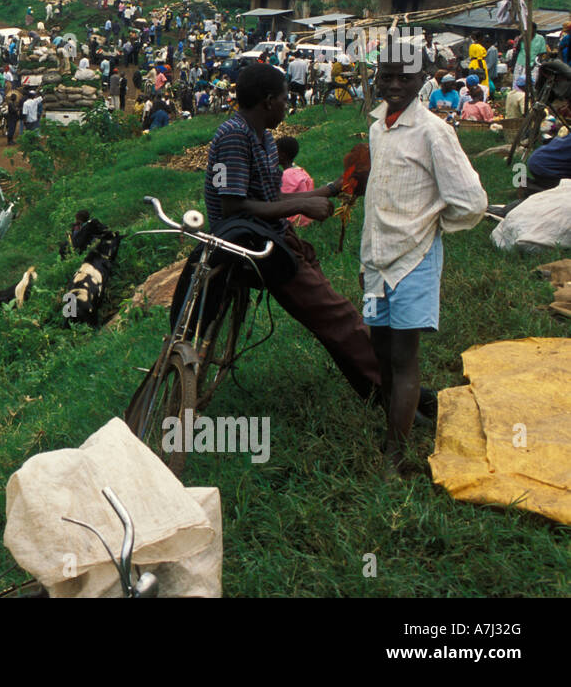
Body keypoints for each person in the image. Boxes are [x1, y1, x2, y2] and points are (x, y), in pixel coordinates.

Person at [204, 62, 388, 410]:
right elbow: (234, 208)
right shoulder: (233, 136)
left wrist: (331, 190)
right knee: (337, 316)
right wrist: (301, 207)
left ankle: (376, 387)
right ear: (268, 101)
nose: (288, 105)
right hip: (249, 246)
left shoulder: (264, 140)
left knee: (332, 310)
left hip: (272, 235)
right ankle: (392, 389)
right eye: (285, 99)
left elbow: (271, 199)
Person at [361, 59, 487, 478]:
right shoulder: (379, 128)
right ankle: (395, 426)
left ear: (422, 81)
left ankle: (394, 457)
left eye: (405, 77)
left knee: (402, 356)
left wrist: (430, 225)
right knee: (379, 351)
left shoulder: (435, 131)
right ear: (377, 80)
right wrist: (367, 257)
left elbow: (471, 201)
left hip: (414, 258)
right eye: (387, 77)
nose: (395, 85)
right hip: (377, 259)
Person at [276, 136, 315, 227]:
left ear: (282, 155)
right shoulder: (300, 171)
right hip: (308, 216)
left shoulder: (286, 176)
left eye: (275, 151)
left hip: (297, 220)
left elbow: (280, 201)